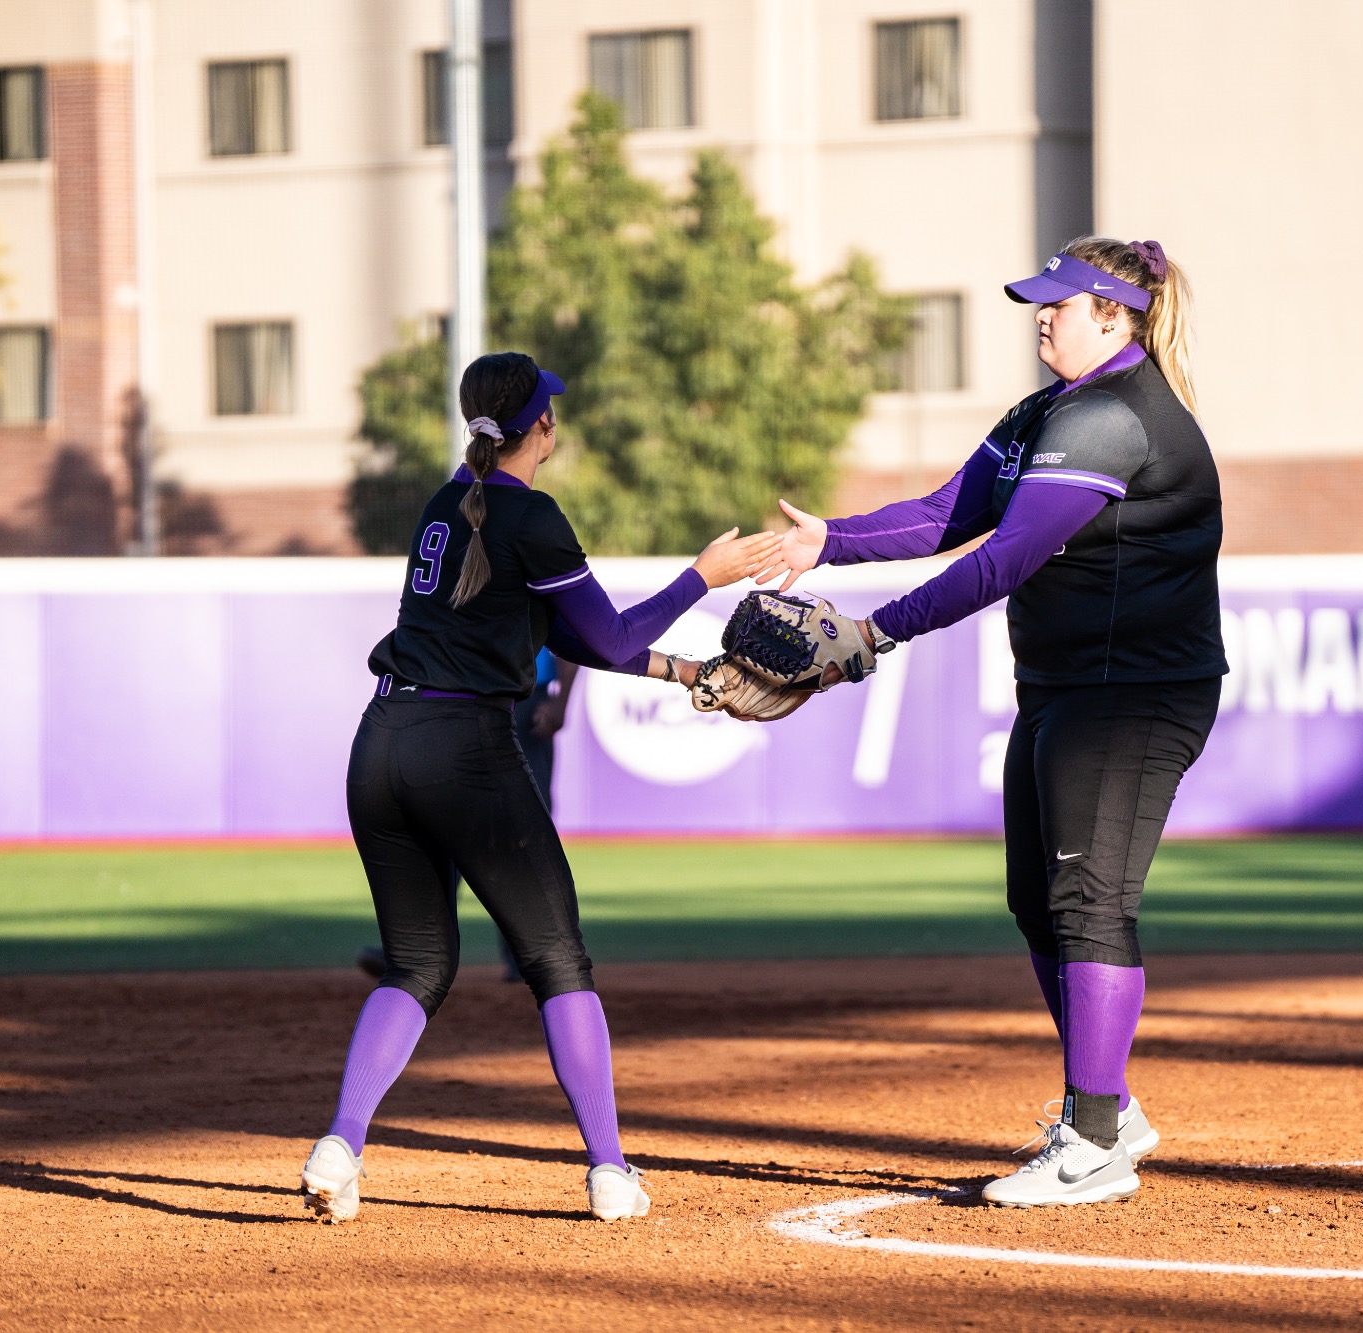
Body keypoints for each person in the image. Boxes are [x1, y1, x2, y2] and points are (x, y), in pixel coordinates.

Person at [757, 237, 1225, 1207]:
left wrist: (875, 630)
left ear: (1114, 315)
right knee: (1035, 900)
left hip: (1130, 693)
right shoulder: (1048, 413)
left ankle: (1092, 1138)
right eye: (1038, 303)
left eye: (1059, 303)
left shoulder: (1112, 417)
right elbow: (944, 514)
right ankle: (1109, 1108)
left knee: (1088, 902)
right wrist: (829, 543)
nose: (1041, 316)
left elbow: (1002, 559)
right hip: (1063, 687)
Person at [302, 351, 775, 1224]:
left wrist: (685, 672)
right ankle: (608, 1170)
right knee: (558, 960)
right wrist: (703, 576)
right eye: (550, 412)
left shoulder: (449, 502)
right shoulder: (533, 516)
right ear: (543, 427)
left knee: (416, 963)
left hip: (381, 746)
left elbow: (596, 644)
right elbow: (609, 628)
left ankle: (340, 1143)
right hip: (467, 753)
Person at [353, 646, 576, 984]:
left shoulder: (537, 591)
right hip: (465, 698)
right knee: (447, 817)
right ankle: (412, 950)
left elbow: (572, 643)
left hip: (523, 699)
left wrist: (560, 703)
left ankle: (537, 956)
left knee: (524, 830)